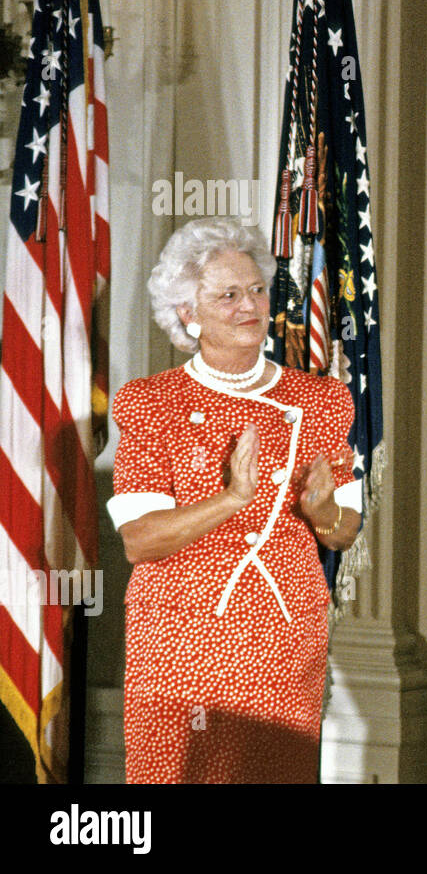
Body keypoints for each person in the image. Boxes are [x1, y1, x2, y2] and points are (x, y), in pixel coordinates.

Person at [107, 218, 361, 783]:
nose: (250, 306)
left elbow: (345, 531)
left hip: (283, 640)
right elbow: (140, 541)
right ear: (188, 313)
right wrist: (232, 498)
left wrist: (323, 513)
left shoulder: (321, 400)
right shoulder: (151, 403)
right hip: (182, 641)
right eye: (228, 295)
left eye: (257, 290)